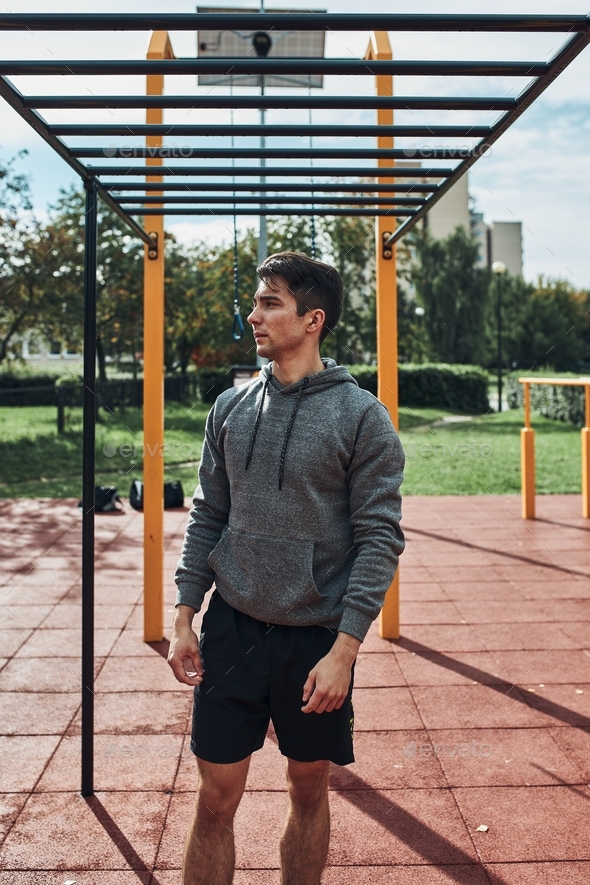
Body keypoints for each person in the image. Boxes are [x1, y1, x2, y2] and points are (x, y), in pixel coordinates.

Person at [167, 251, 405, 885]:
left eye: (270, 302)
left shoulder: (362, 418)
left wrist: (346, 650)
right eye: (256, 302)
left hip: (315, 639)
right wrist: (184, 613)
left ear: (313, 319)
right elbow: (207, 515)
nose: (254, 315)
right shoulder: (231, 408)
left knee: (307, 791)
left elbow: (378, 539)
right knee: (215, 801)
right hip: (233, 629)